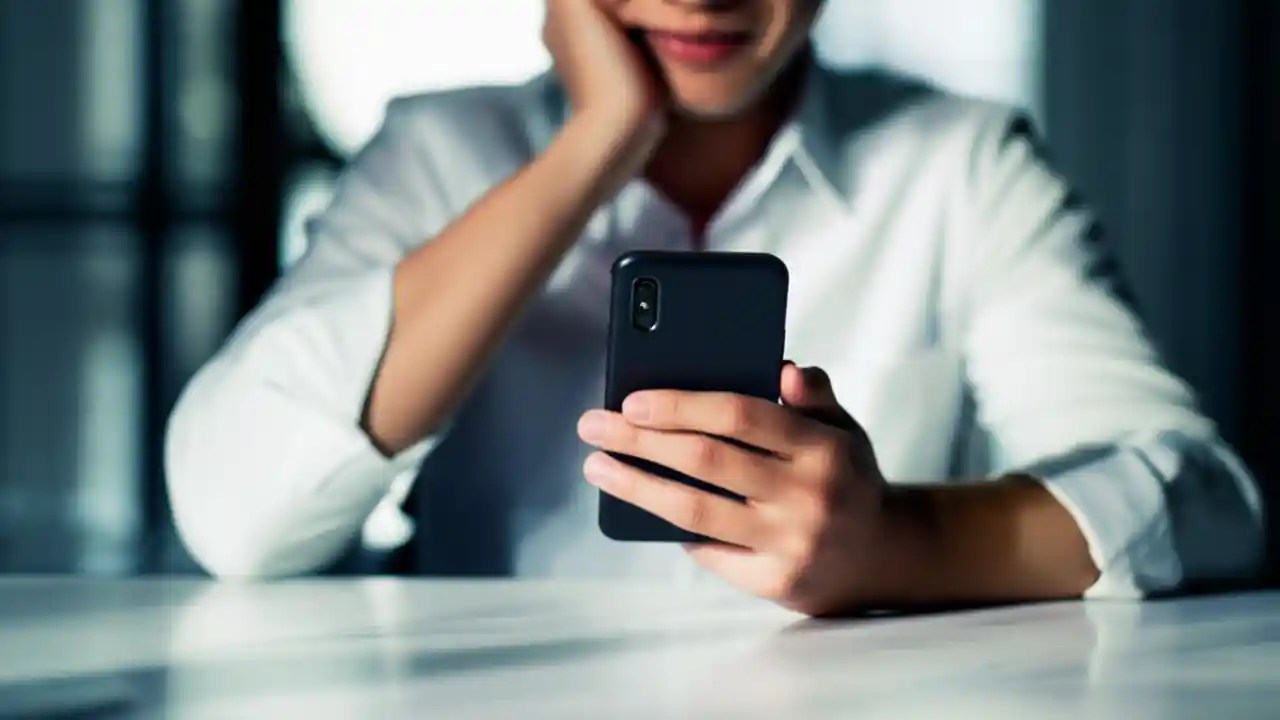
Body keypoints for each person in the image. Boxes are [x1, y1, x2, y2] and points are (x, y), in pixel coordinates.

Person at [166, 0, 1263, 614]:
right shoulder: (439, 150)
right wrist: (596, 144)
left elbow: (1205, 499)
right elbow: (230, 512)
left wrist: (898, 542)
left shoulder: (960, 160)